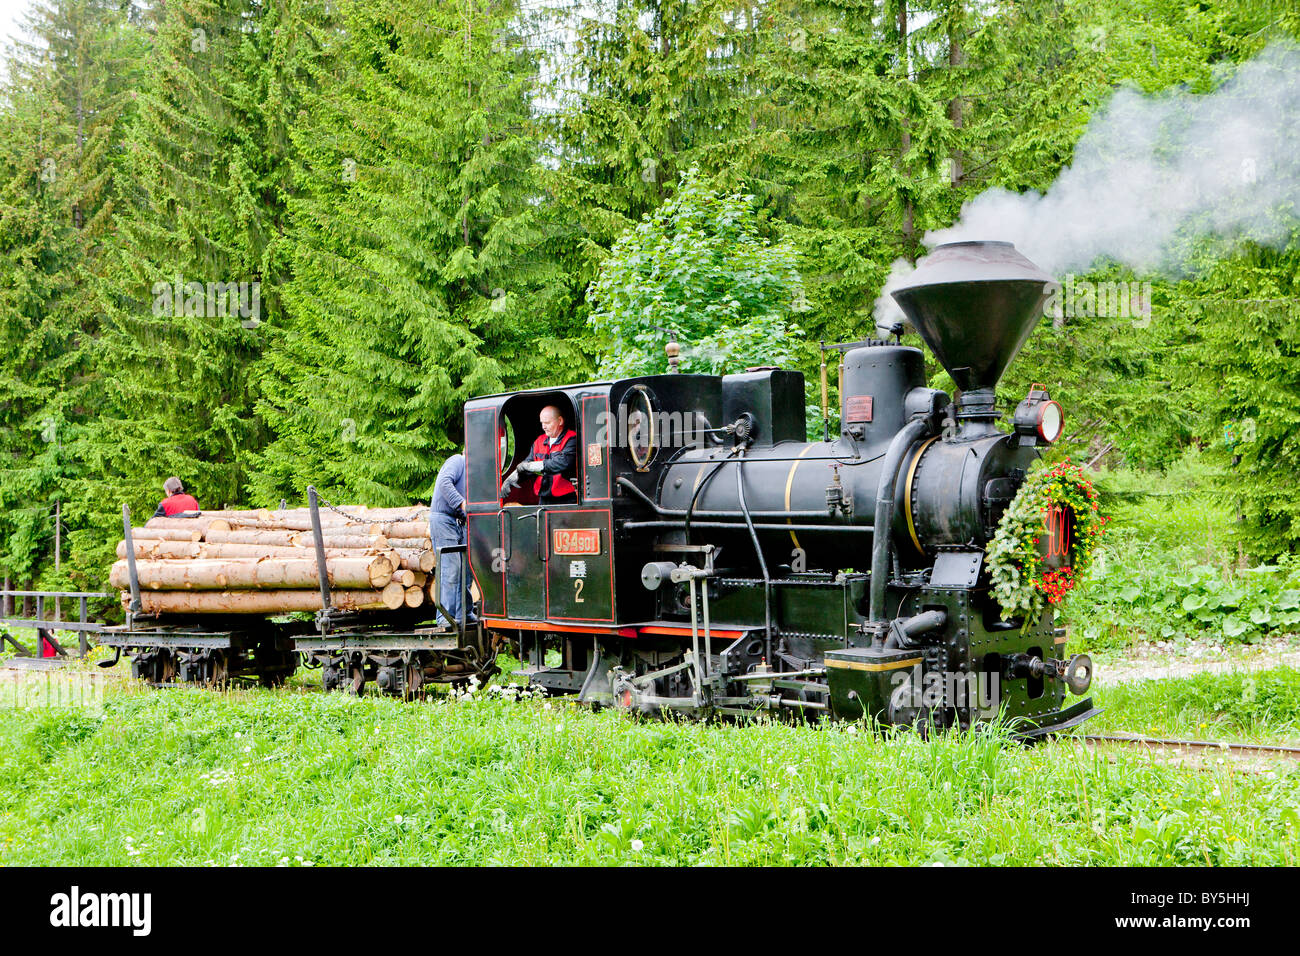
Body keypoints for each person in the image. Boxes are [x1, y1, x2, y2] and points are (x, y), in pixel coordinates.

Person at [430, 449, 473, 627]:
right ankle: (444, 618)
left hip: (461, 522)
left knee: (467, 570)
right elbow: (445, 483)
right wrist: (462, 503)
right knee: (451, 569)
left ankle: (465, 613)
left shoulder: (474, 473)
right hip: (444, 520)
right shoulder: (458, 461)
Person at [504, 405, 578, 505]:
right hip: (544, 498)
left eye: (547, 423)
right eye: (542, 423)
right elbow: (526, 466)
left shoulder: (572, 438)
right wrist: (511, 479)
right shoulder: (539, 441)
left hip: (567, 498)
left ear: (560, 421)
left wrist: (531, 466)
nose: (543, 427)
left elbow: (563, 463)